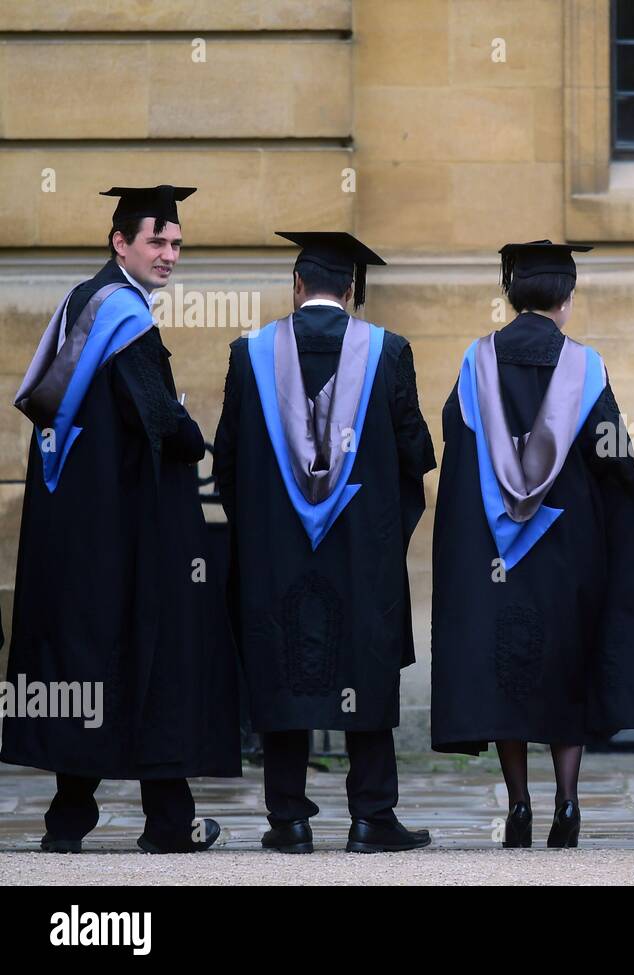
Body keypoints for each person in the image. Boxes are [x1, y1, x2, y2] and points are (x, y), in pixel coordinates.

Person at [3, 185, 240, 853]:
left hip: (77, 526)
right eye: (156, 241)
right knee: (152, 654)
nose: (169, 254)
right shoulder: (125, 317)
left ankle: (69, 821)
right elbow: (160, 419)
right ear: (120, 243)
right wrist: (194, 436)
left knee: (90, 657)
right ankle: (165, 823)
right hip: (130, 529)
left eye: (176, 243)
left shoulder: (80, 304)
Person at [214, 231, 437, 854]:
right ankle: (372, 817)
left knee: (281, 665)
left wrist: (262, 527)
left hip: (275, 551)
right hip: (362, 550)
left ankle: (289, 820)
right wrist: (384, 531)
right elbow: (416, 455)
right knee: (363, 661)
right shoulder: (388, 351)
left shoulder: (249, 353)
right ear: (352, 290)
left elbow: (225, 460)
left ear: (296, 285)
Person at [430, 240, 634, 848]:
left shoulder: (476, 361)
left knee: (508, 672)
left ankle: (519, 805)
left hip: (493, 553)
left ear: (510, 295)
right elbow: (613, 456)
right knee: (566, 666)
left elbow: (455, 443)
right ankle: (568, 802)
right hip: (567, 548)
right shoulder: (585, 366)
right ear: (566, 299)